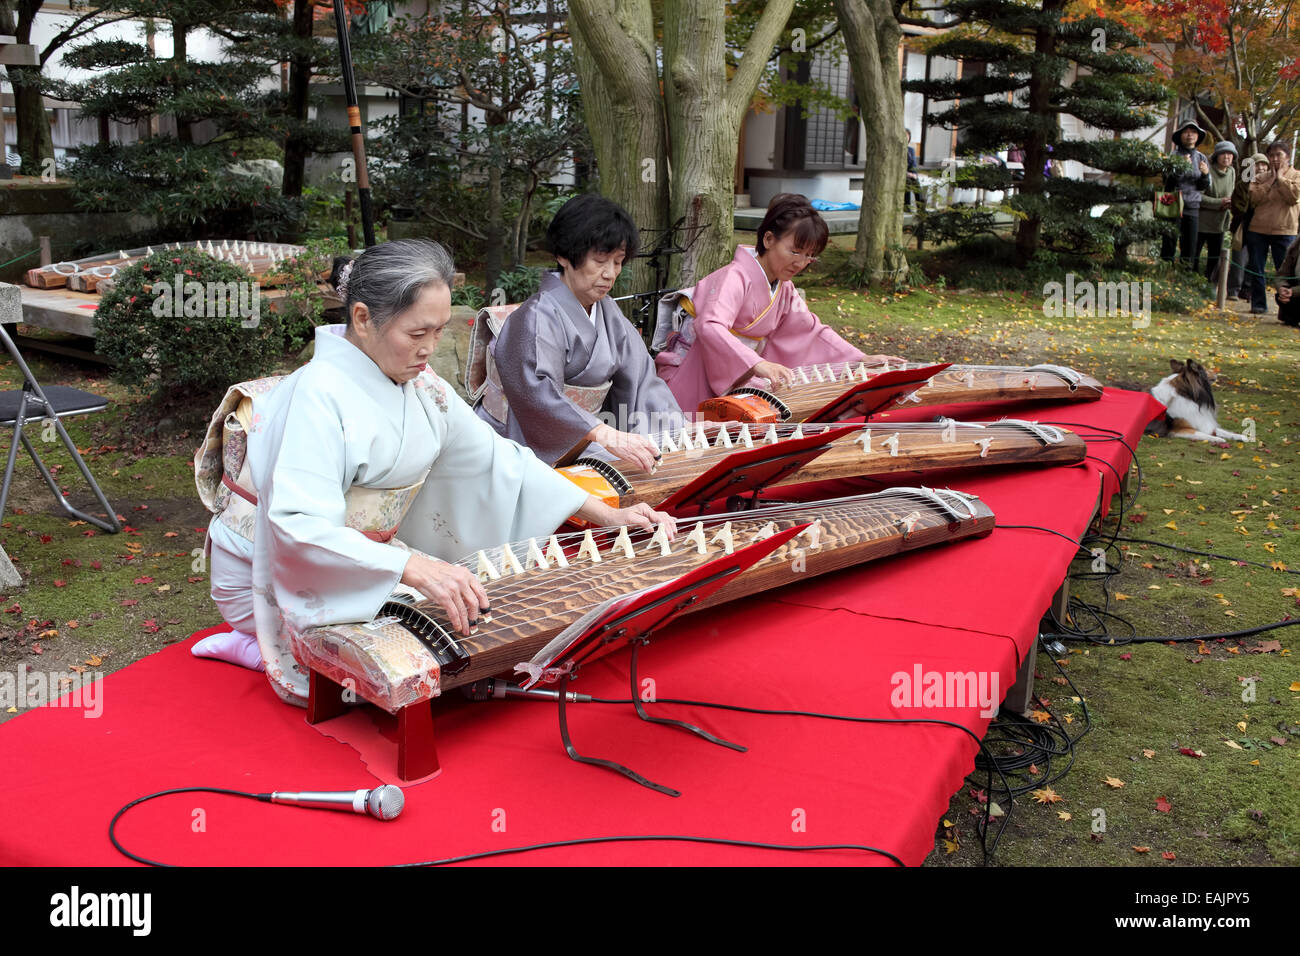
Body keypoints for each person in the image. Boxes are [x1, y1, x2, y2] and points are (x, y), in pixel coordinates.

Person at [193, 239, 675, 706]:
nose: (430, 350)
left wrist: (607, 515)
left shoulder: (419, 382)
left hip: (364, 557)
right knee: (403, 667)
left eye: (440, 332)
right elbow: (298, 526)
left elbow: (496, 458)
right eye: (417, 333)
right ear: (362, 319)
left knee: (467, 627)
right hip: (273, 567)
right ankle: (255, 641)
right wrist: (413, 566)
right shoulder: (317, 396)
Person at [475, 194, 683, 469]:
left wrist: (683, 434)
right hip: (520, 442)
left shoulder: (609, 314)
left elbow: (643, 381)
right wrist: (602, 433)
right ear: (564, 255)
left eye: (618, 261)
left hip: (587, 438)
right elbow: (538, 396)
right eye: (600, 260)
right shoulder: (535, 318)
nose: (610, 273)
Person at [655, 193, 903, 411]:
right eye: (795, 251)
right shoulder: (735, 277)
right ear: (769, 239)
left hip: (734, 370)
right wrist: (756, 364)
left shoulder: (784, 288)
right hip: (694, 367)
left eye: (810, 256)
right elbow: (709, 326)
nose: (801, 263)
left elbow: (810, 331)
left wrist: (858, 358)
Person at [1245, 140, 1300, 315]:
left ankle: (1286, 308)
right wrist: (1271, 181)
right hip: (1258, 228)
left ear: (1287, 157)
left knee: (1284, 271)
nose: (1275, 158)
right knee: (1256, 268)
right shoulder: (1261, 177)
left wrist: (1282, 179)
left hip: (1285, 229)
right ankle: (1258, 304)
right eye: (1272, 155)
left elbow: (1293, 197)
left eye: (1279, 155)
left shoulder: (1297, 175)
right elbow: (1253, 198)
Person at [1161, 121, 1211, 269]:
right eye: (1186, 132)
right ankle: (1165, 270)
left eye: (1193, 132)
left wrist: (1205, 175)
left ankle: (1186, 272)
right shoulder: (1173, 155)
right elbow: (1167, 182)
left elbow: (1203, 186)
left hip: (1193, 204)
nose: (1190, 135)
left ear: (1197, 136)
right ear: (1180, 136)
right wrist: (1180, 167)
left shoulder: (1202, 158)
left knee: (1190, 242)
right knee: (1169, 239)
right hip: (1173, 202)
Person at [1226, 152, 1268, 299]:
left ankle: (1247, 289)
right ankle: (1233, 290)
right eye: (1257, 164)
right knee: (1239, 259)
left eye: (1264, 165)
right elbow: (1237, 206)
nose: (1261, 168)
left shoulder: (1270, 184)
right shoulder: (1242, 185)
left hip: (1262, 227)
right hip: (1242, 226)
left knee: (1255, 261)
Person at [1194, 141, 1236, 286]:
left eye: (1230, 154)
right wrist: (1219, 202)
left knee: (1215, 256)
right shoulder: (1207, 170)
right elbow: (1197, 196)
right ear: (1216, 155)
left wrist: (1232, 202)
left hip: (1220, 222)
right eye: (1223, 153)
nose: (1226, 157)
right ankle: (1192, 283)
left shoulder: (1231, 171)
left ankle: (1209, 284)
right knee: (1194, 255)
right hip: (1202, 221)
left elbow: (1232, 192)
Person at [1273, 235, 1300, 326]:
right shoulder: (1296, 246)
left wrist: (1293, 291)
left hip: (1296, 291)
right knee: (1281, 298)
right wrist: (1282, 288)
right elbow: (1281, 274)